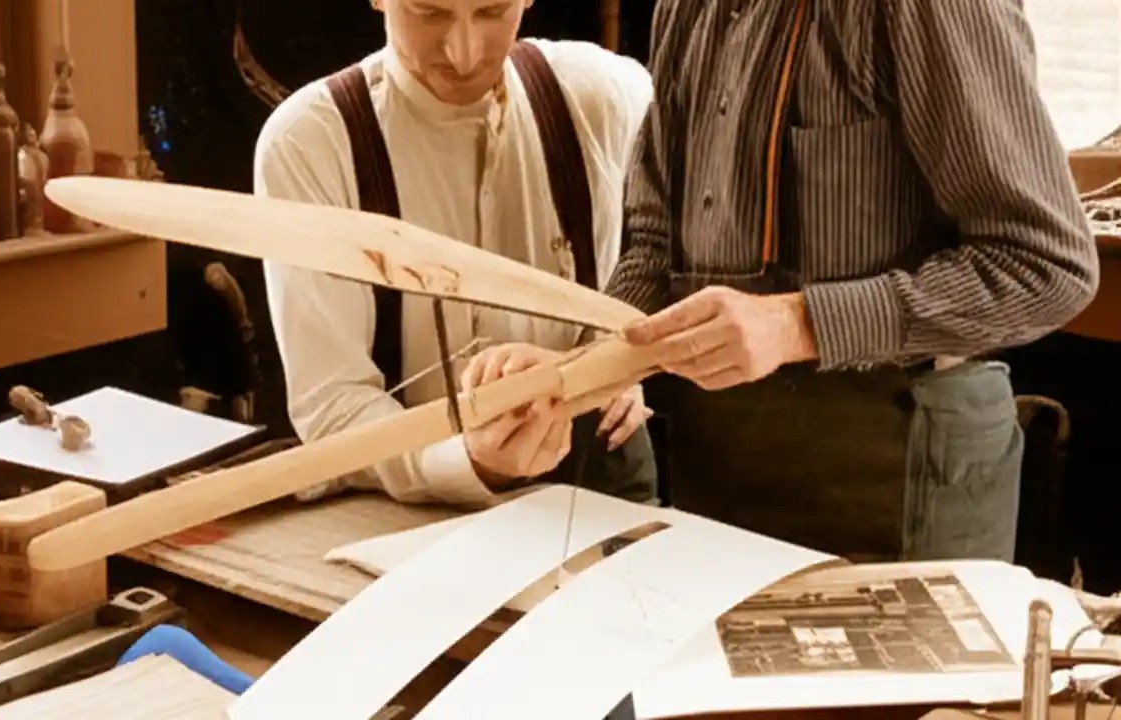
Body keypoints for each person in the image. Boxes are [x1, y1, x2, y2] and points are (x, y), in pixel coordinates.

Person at [472, 0, 1101, 562]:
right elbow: (654, 245)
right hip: (719, 476)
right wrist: (578, 372)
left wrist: (795, 323)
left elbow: (1047, 264)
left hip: (896, 480)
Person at [257, 0, 659, 507]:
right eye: (429, 13)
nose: (464, 54)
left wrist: (619, 357)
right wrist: (464, 462)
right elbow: (331, 404)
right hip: (407, 506)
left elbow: (676, 244)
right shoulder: (310, 144)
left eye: (492, 12)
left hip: (603, 472)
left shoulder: (606, 94)